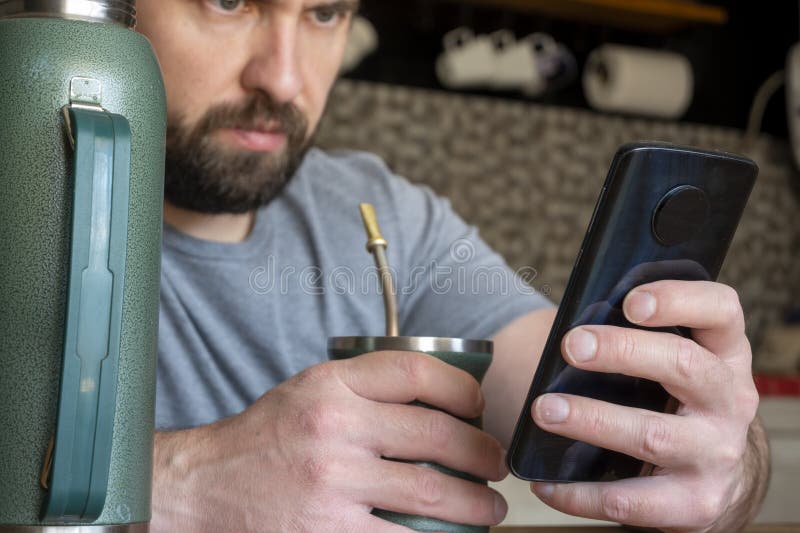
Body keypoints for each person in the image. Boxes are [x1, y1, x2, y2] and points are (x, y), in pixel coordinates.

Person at [136, 1, 770, 531]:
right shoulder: (40, 203)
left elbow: (578, 392)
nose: (281, 78)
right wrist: (182, 483)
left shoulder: (379, 214)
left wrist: (724, 462)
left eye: (324, 12)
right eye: (226, 1)